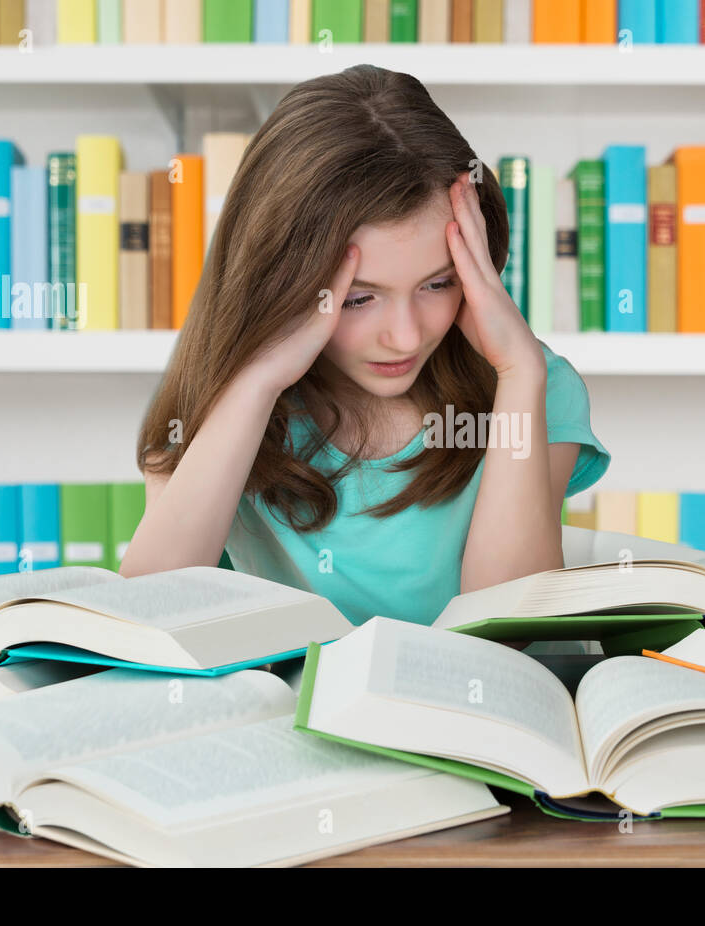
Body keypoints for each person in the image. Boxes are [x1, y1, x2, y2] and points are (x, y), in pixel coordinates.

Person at [121, 63, 610, 635]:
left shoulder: (531, 388)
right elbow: (148, 615)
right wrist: (256, 384)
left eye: (437, 284)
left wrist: (520, 372)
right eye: (358, 299)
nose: (404, 336)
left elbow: (507, 631)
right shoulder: (219, 392)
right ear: (280, 282)